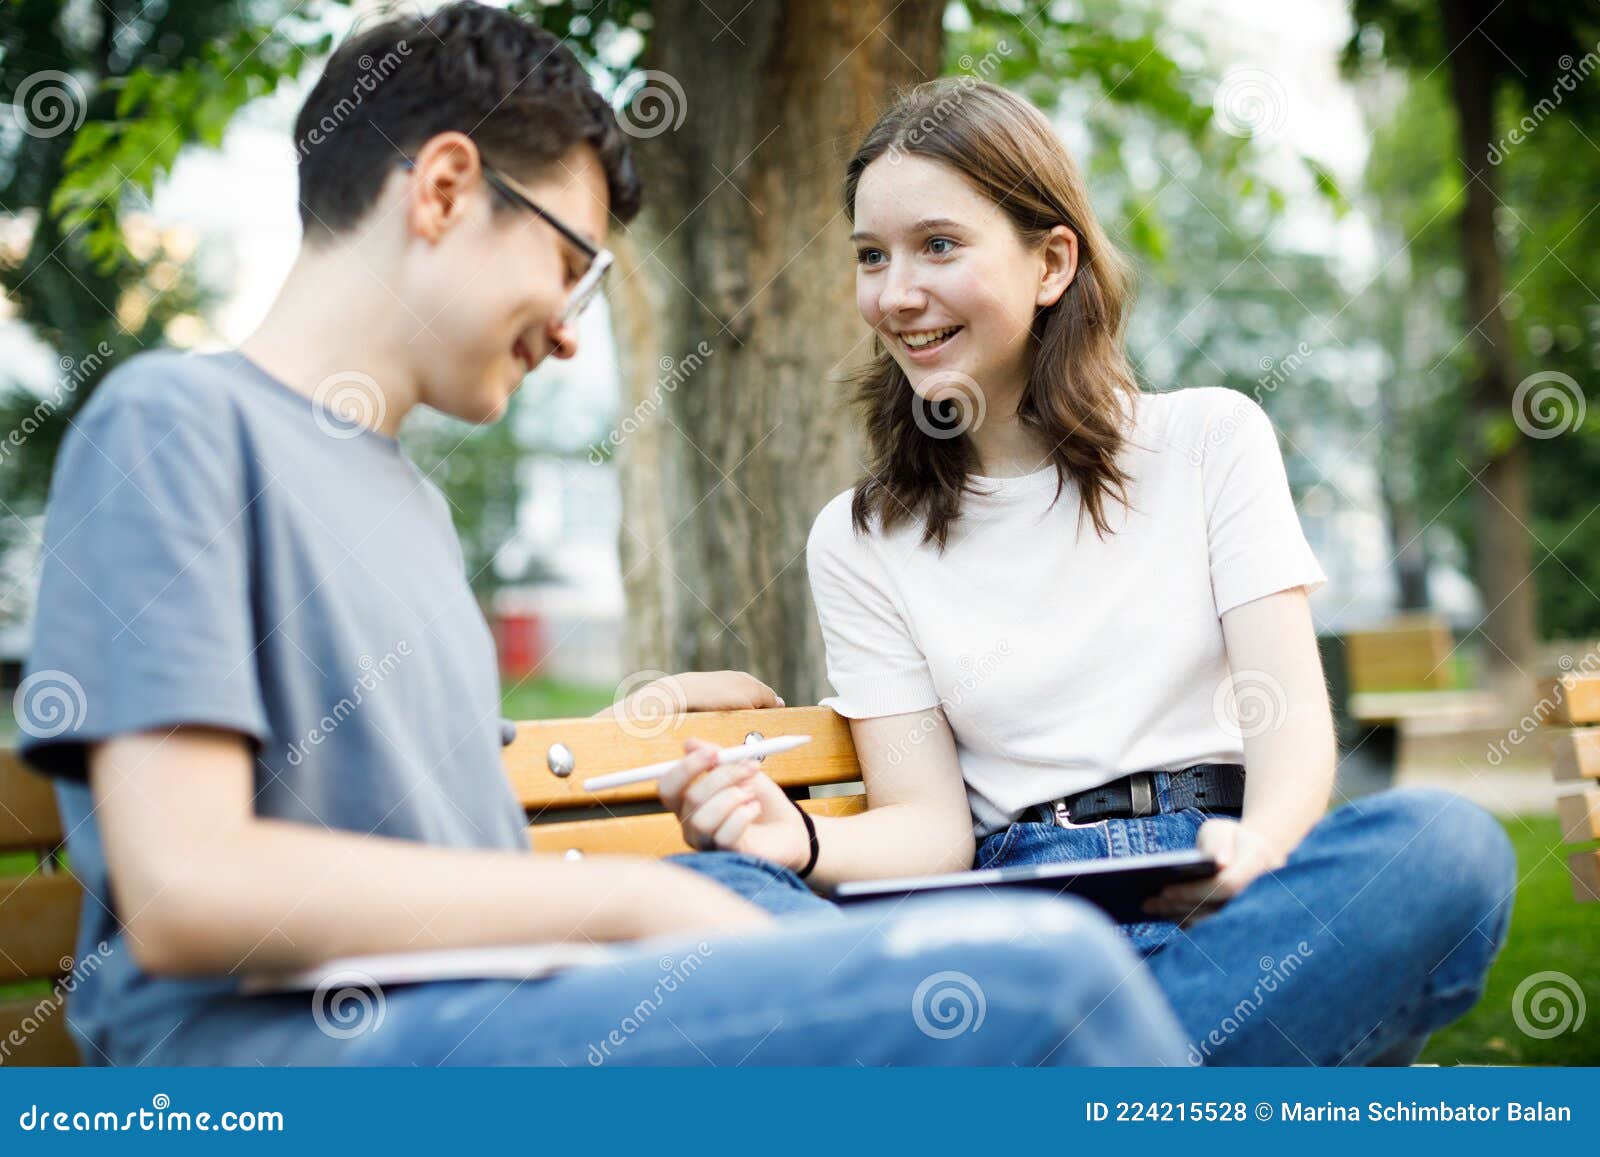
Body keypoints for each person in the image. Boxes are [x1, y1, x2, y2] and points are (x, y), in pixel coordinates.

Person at [14, 8, 1197, 1068]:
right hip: (280, 1071)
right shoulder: (176, 426)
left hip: (494, 1027)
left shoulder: (406, 507)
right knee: (1040, 984)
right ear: (441, 190)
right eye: (572, 268)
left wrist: (628, 727)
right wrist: (631, 910)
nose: (573, 337)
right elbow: (186, 883)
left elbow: (418, 820)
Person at [658, 79, 1518, 1067]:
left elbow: (1288, 726)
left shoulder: (1210, 438)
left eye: (938, 245)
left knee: (1444, 846)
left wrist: (1262, 847)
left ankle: (1066, 1085)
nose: (894, 293)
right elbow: (930, 828)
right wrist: (796, 841)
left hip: (1219, 903)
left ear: (1050, 261)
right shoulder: (857, 537)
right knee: (719, 887)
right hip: (1017, 935)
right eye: (870, 256)